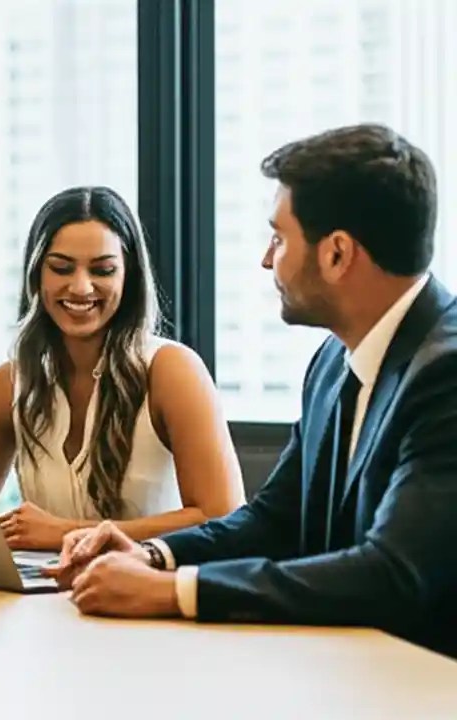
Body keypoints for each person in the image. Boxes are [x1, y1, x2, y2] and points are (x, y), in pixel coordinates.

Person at [53, 124, 457, 658]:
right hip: (349, 673)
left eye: (280, 238)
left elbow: (392, 573)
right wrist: (153, 555)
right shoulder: (336, 359)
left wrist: (175, 592)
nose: (269, 260)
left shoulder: (445, 374)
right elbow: (274, 521)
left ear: (337, 254)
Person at [0, 186, 244, 551]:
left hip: (147, 593)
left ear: (128, 278)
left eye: (103, 270)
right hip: (42, 596)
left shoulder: (172, 370)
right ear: (36, 275)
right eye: (61, 268)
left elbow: (222, 517)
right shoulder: (11, 381)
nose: (80, 287)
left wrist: (68, 532)